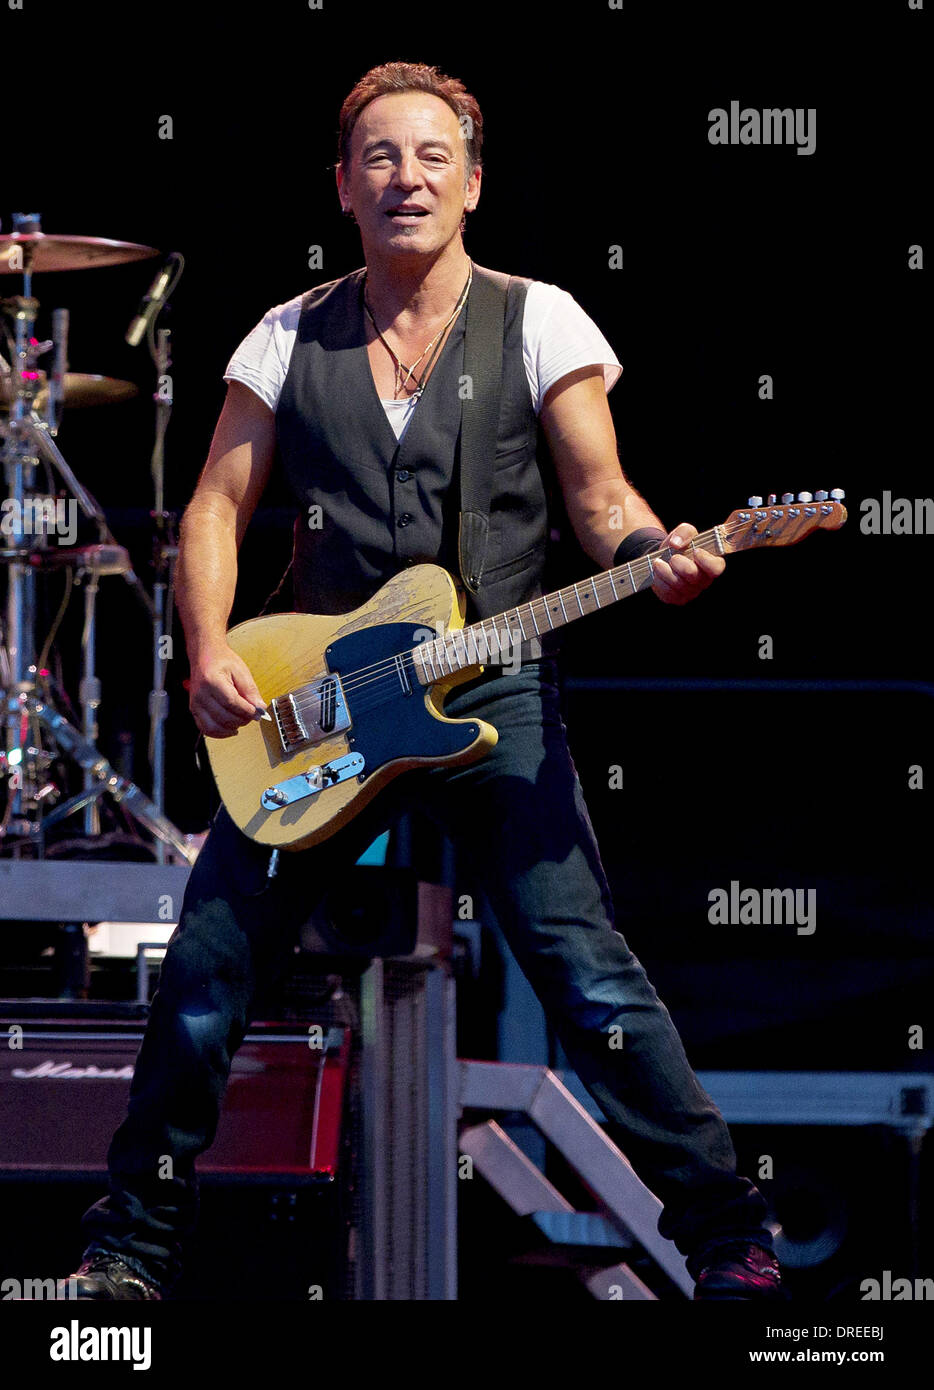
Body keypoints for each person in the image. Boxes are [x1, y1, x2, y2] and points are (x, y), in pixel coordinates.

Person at [62, 61, 784, 1302]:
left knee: (581, 965)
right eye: (381, 157)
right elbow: (216, 509)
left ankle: (726, 1236)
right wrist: (212, 647)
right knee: (208, 965)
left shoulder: (541, 317)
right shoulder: (287, 334)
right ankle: (127, 1255)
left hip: (487, 686)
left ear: (474, 184)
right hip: (320, 697)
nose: (409, 177)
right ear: (342, 186)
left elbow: (602, 496)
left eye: (434, 156)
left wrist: (653, 552)